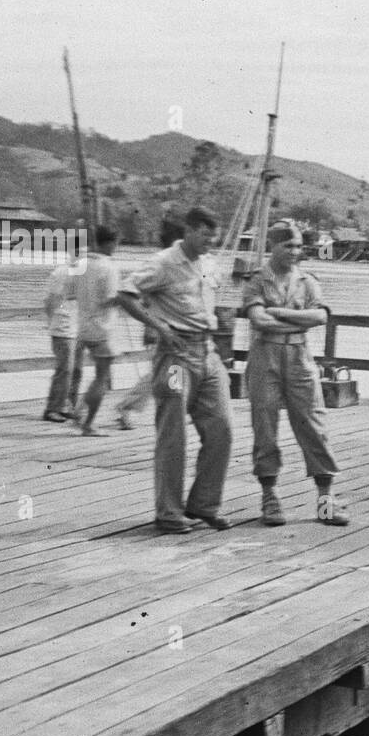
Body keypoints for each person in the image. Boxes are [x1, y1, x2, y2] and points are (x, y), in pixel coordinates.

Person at [117, 207, 234, 534]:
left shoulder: (209, 264)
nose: (212, 240)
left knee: (222, 428)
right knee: (173, 436)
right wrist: (159, 327)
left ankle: (203, 505)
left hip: (207, 352)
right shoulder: (164, 262)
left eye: (215, 235)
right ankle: (168, 513)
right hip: (175, 355)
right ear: (190, 230)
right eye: (206, 234)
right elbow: (125, 294)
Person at [243, 220, 348, 527]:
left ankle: (326, 500)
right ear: (272, 246)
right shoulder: (257, 280)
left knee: (314, 425)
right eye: (287, 245)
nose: (294, 251)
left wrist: (279, 312)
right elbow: (258, 320)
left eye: (299, 246)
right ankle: (269, 497)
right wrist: (298, 321)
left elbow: (320, 316)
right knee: (265, 426)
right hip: (266, 356)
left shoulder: (308, 280)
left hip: (300, 357)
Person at [114, 217, 183, 429]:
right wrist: (152, 328)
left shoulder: (174, 264)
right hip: (162, 329)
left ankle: (170, 408)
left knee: (166, 372)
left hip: (169, 330)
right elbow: (143, 299)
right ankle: (130, 407)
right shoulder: (163, 264)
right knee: (163, 373)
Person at [73, 225, 122, 437]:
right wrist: (125, 297)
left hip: (83, 327)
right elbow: (109, 298)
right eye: (116, 243)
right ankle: (88, 424)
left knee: (97, 378)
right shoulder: (108, 267)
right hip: (102, 328)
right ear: (110, 243)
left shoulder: (81, 263)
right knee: (102, 378)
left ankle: (80, 409)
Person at [43, 250, 81, 424]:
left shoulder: (83, 274)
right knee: (64, 370)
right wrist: (52, 322)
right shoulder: (61, 273)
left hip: (77, 328)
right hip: (62, 328)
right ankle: (52, 409)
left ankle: (66, 406)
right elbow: (51, 301)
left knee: (74, 371)